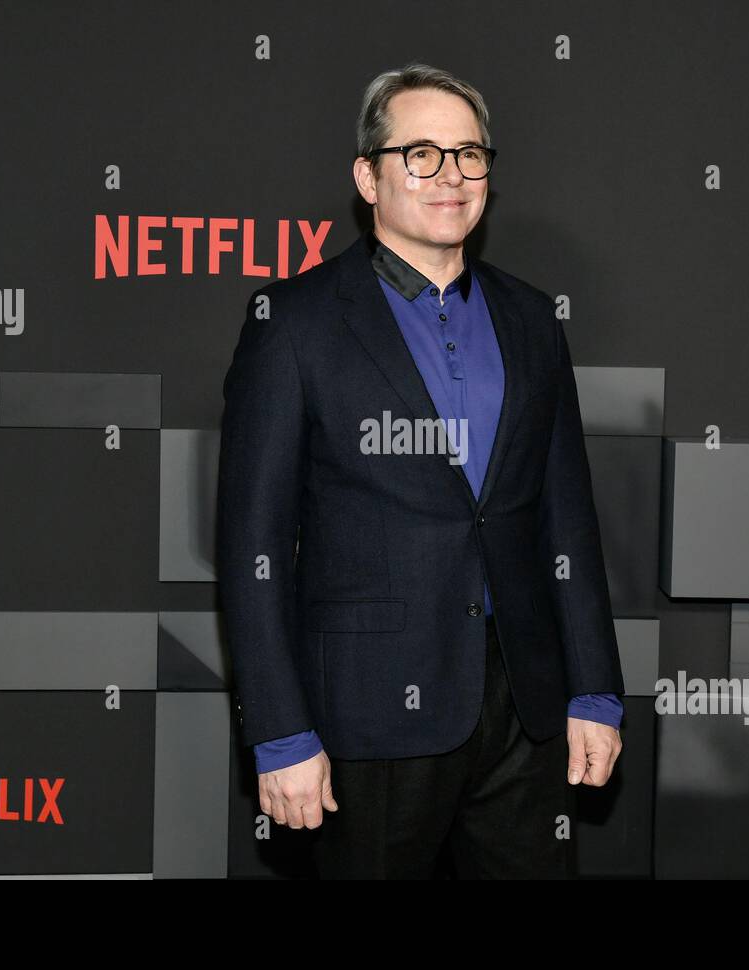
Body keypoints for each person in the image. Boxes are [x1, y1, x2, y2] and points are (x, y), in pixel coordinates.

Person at [216, 63, 625, 879]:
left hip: (524, 717)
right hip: (362, 725)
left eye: (470, 155)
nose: (452, 176)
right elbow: (250, 546)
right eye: (422, 154)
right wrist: (280, 730)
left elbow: (567, 519)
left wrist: (595, 689)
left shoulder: (534, 320)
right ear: (368, 176)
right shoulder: (292, 325)